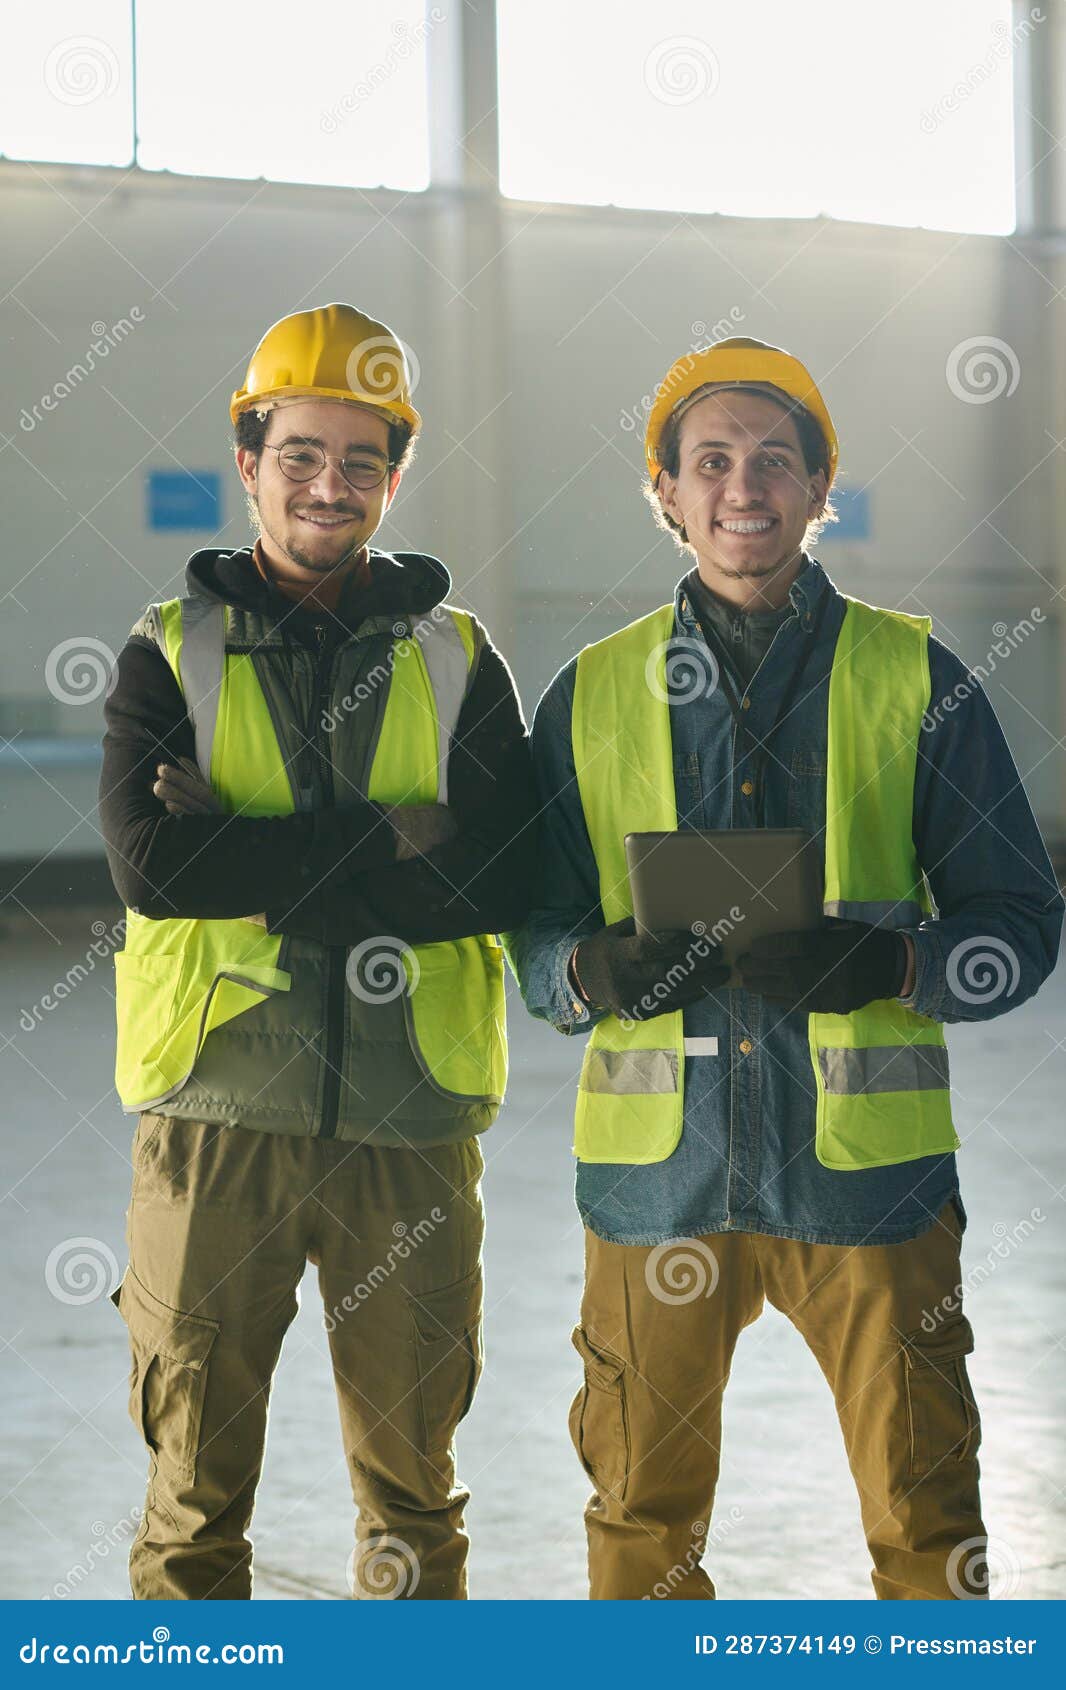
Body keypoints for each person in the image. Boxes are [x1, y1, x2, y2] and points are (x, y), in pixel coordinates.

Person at [505, 335, 1063, 1600]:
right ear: (665, 489)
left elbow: (1021, 928)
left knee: (928, 1525)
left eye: (772, 460)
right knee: (639, 1530)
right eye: (710, 461)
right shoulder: (589, 694)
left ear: (820, 487)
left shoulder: (915, 680)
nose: (741, 487)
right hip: (660, 1187)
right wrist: (590, 970)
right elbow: (530, 937)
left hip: (866, 1187)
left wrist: (895, 962)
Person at [100, 302, 537, 1600]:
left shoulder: (457, 656)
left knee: (413, 1500)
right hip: (215, 1112)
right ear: (249, 462)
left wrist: (256, 857)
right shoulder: (169, 649)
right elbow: (155, 868)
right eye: (298, 454)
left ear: (393, 476)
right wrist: (394, 839)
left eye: (359, 459)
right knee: (193, 1500)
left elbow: (505, 873)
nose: (327, 484)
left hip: (410, 1120)